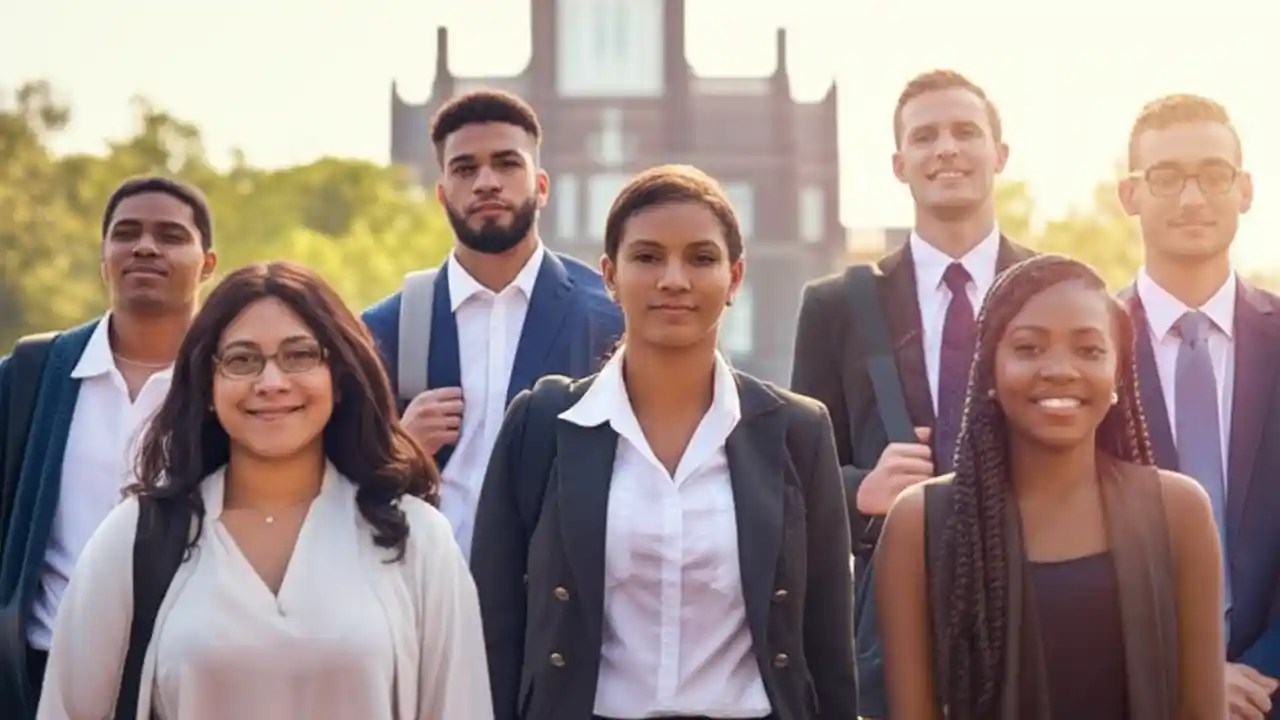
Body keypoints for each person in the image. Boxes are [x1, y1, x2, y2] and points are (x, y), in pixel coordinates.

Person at [470, 165, 857, 719]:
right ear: (609, 274)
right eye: (647, 257)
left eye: (701, 258)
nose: (674, 279)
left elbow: (827, 645)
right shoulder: (545, 424)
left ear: (735, 277)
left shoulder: (797, 431)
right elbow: (495, 627)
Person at [35, 261, 491, 719]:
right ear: (208, 386)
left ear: (338, 380)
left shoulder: (414, 538)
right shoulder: (140, 538)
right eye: (241, 360)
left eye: (299, 356)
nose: (271, 383)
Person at [875, 254, 1225, 719]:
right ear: (990, 374)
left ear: (1118, 373)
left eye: (1089, 350)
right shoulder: (921, 522)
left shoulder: (1178, 511)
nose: (1060, 369)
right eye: (1029, 348)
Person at [789, 68, 1034, 716]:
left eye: (965, 132)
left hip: (1034, 602)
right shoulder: (837, 305)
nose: (946, 149)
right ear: (900, 164)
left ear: (999, 155)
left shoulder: (1055, 291)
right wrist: (858, 491)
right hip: (891, 616)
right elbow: (791, 473)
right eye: (925, 137)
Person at [363, 88, 623, 560]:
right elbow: (333, 486)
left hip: (556, 608)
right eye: (465, 169)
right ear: (442, 193)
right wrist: (399, 448)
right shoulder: (383, 328)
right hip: (423, 597)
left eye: (506, 164)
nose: (486, 182)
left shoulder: (608, 320)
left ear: (541, 186)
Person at [0, 176, 217, 718]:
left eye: (170, 235)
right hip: (41, 676)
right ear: (104, 258)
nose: (145, 246)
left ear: (207, 264)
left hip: (190, 677)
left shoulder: (233, 383)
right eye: (127, 233)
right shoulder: (32, 376)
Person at [1117, 93, 1280, 720]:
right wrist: (1187, 673)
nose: (1192, 198)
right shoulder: (1087, 350)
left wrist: (1256, 671)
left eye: (1213, 175)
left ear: (1244, 189)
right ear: (1130, 195)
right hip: (1132, 694)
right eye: (1166, 177)